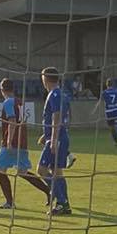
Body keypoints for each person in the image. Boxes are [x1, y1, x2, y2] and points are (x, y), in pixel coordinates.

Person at [0, 79, 52, 209]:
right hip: (22, 142)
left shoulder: (8, 102)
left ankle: (9, 202)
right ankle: (49, 191)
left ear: (2, 90)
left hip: (12, 142)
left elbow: (13, 121)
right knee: (22, 172)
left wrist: (9, 140)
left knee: (0, 170)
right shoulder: (20, 102)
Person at [39, 66, 74, 214]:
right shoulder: (62, 94)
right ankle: (63, 203)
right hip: (60, 136)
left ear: (45, 79)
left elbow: (57, 116)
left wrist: (52, 139)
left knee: (41, 170)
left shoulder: (54, 94)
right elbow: (67, 117)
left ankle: (61, 201)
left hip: (56, 139)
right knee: (57, 171)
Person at [102, 79, 117, 144]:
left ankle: (116, 142)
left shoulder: (104, 92)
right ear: (113, 84)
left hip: (109, 111)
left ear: (106, 84)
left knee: (111, 127)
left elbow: (103, 102)